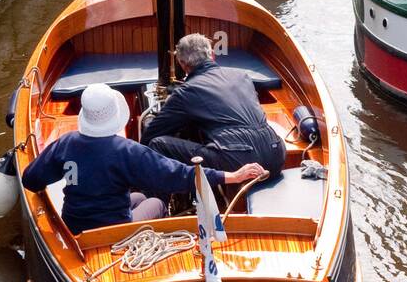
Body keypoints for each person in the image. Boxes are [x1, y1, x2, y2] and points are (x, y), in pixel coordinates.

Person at [20, 83, 263, 234]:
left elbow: (31, 179)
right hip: (114, 230)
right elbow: (176, 175)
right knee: (155, 201)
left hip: (73, 225)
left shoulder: (65, 143)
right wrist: (230, 176)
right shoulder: (126, 151)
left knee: (137, 197)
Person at [140, 33, 286, 184]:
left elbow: (150, 136)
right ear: (212, 55)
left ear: (182, 64)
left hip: (236, 160)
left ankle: (157, 204)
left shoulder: (187, 91)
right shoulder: (242, 76)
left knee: (157, 144)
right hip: (275, 153)